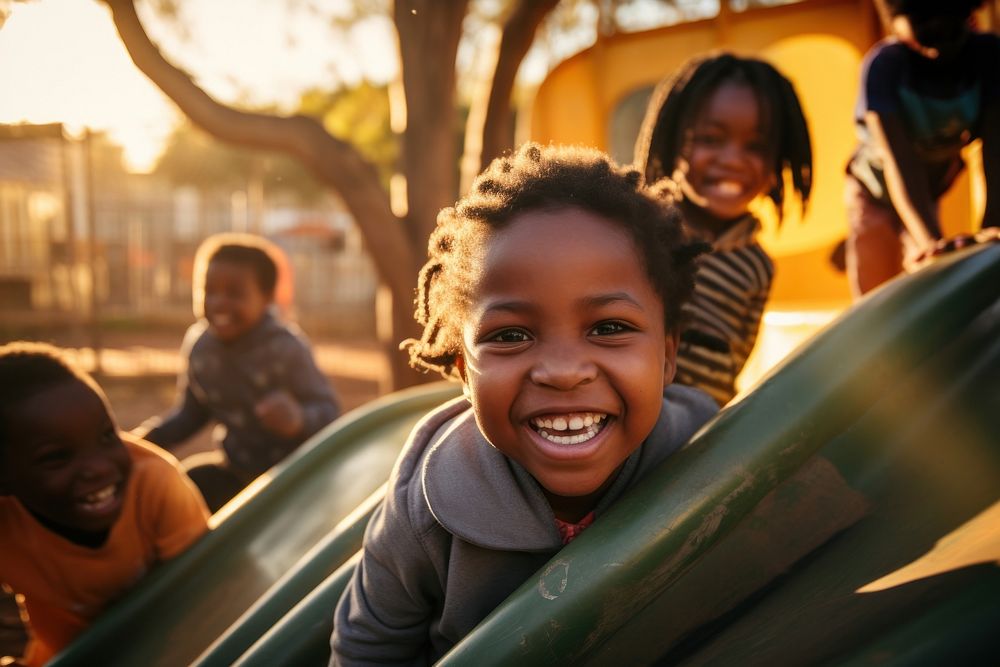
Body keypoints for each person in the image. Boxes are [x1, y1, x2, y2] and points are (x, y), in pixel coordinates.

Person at [330, 143, 719, 665]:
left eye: (608, 328)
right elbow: (368, 650)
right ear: (465, 372)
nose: (562, 371)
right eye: (511, 335)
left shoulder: (714, 455)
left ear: (667, 356)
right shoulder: (425, 503)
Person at [0, 342, 209, 667]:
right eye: (56, 457)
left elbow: (208, 592)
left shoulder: (155, 484)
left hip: (168, 648)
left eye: (106, 437)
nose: (98, 467)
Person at [633, 52, 813, 407]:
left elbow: (736, 359)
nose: (732, 160)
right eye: (711, 139)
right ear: (673, 137)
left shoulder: (758, 267)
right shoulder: (640, 228)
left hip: (698, 426)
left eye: (756, 147)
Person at [136, 233, 340, 512]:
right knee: (184, 488)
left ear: (267, 297)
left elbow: (328, 410)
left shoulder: (286, 347)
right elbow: (192, 413)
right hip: (237, 470)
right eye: (209, 291)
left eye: (234, 293)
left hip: (293, 476)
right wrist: (146, 442)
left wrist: (298, 419)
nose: (219, 302)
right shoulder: (201, 346)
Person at [844, 0, 1000, 297]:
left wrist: (992, 233)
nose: (939, 31)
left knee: (925, 280)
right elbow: (899, 162)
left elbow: (996, 151)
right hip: (872, 191)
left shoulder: (987, 56)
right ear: (894, 21)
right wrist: (932, 245)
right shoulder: (885, 67)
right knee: (877, 290)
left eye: (950, 18)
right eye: (924, 22)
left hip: (927, 191)